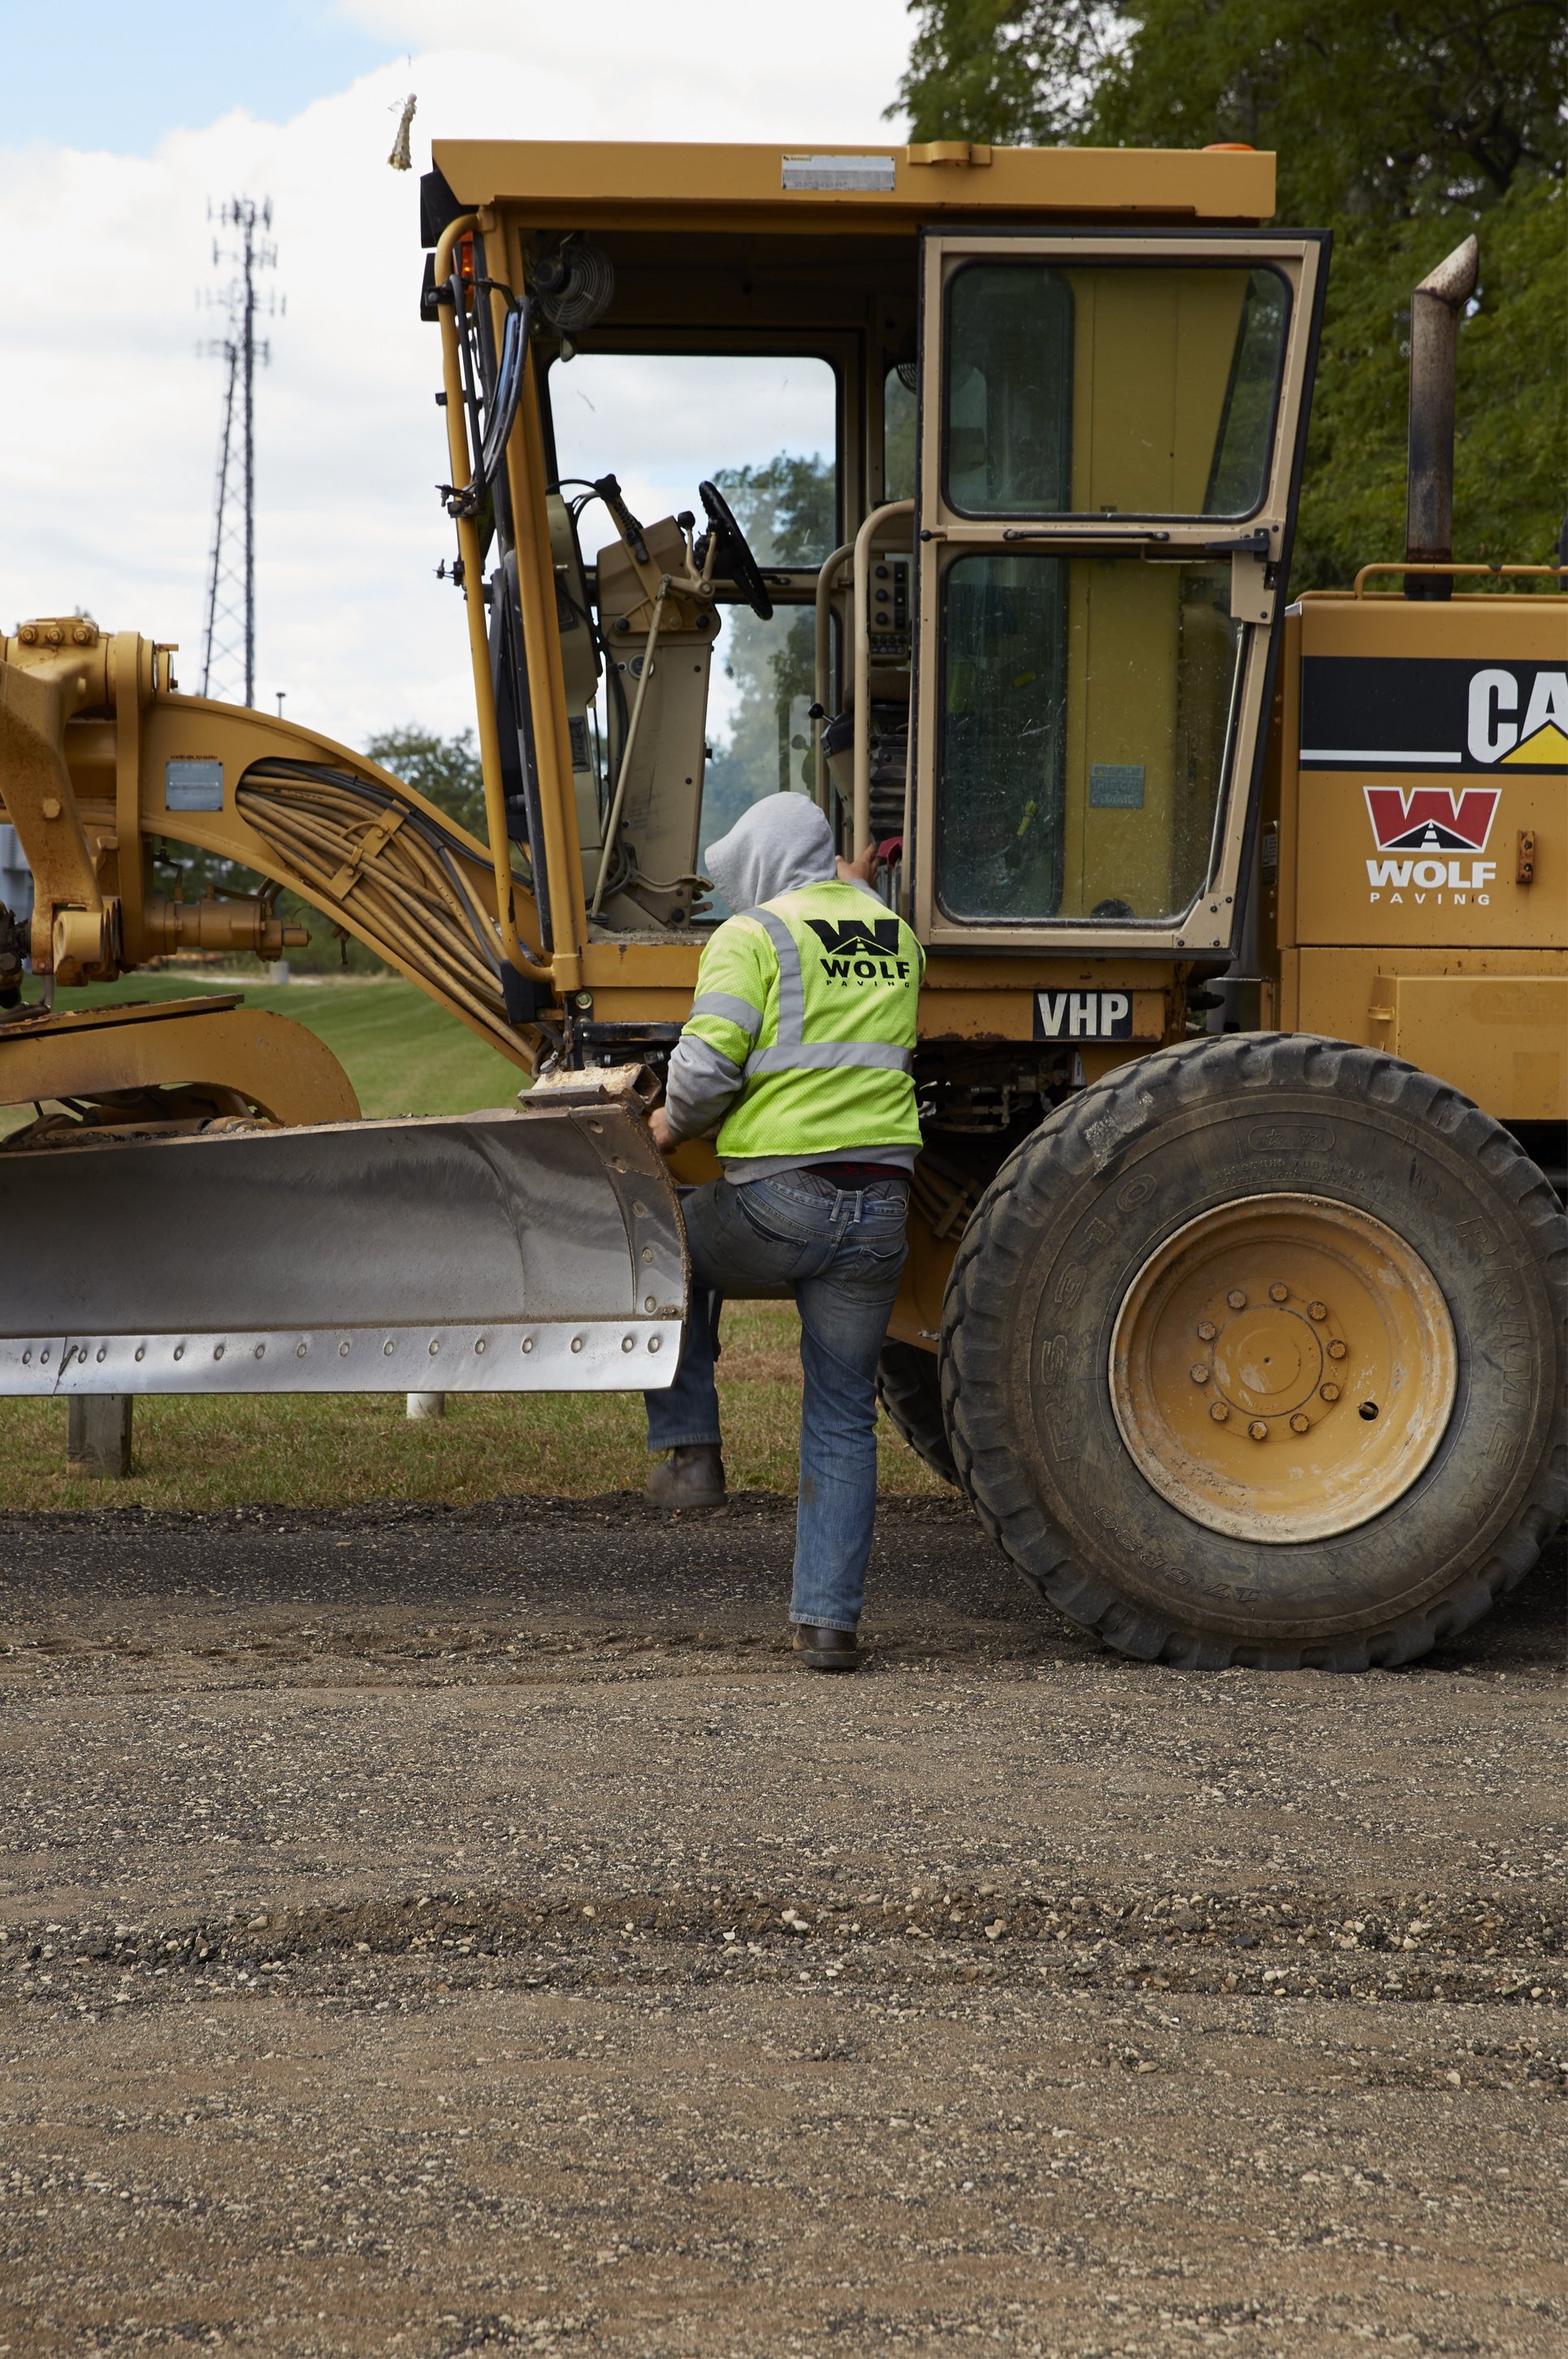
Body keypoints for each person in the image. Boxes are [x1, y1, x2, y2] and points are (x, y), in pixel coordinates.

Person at [642, 793, 923, 1672]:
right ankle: (828, 1625)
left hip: (780, 1202)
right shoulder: (894, 936)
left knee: (668, 1246)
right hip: (881, 1206)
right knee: (842, 1415)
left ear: (761, 862)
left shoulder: (752, 937)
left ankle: (688, 1450)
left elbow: (706, 1066)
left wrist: (659, 1130)